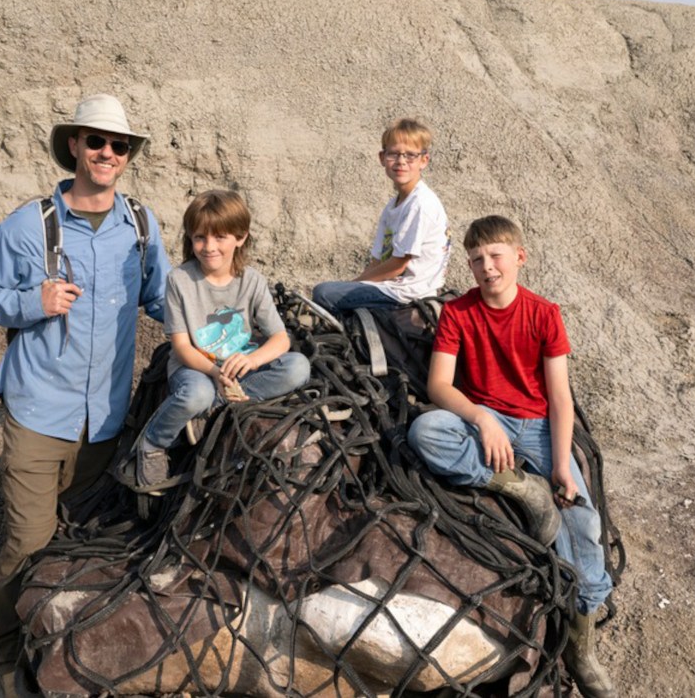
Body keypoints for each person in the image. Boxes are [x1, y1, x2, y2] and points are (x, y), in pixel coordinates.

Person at [0, 94, 170, 696]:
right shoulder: (30, 224)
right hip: (38, 412)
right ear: (73, 144)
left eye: (118, 145)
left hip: (104, 419)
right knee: (28, 543)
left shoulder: (142, 227)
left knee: (83, 540)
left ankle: (64, 647)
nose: (106, 153)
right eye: (95, 141)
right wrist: (31, 303)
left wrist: (226, 331)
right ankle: (7, 654)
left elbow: (163, 301)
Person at [406, 215, 615, 698]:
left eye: (496, 256)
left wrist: (561, 463)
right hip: (485, 419)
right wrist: (481, 417)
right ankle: (519, 487)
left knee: (583, 523)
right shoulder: (459, 314)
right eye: (477, 259)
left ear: (519, 257)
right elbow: (439, 385)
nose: (487, 267)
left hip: (538, 427)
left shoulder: (544, 313)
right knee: (426, 431)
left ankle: (582, 651)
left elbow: (560, 398)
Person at [136, 189, 310, 453]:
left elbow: (280, 338)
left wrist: (252, 360)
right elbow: (182, 347)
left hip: (239, 367)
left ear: (240, 238)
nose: (209, 247)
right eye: (200, 238)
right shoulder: (179, 280)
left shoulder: (252, 281)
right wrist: (215, 373)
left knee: (298, 367)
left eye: (220, 237)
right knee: (197, 395)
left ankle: (217, 406)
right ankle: (151, 444)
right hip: (196, 367)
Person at [311, 118, 450, 314]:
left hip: (408, 292)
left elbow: (398, 266)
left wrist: (351, 286)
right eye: (394, 154)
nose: (401, 161)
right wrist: (350, 286)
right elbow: (378, 261)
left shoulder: (420, 204)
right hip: (391, 287)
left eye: (410, 155)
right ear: (382, 158)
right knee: (331, 291)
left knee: (324, 293)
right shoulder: (393, 206)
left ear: (423, 161)